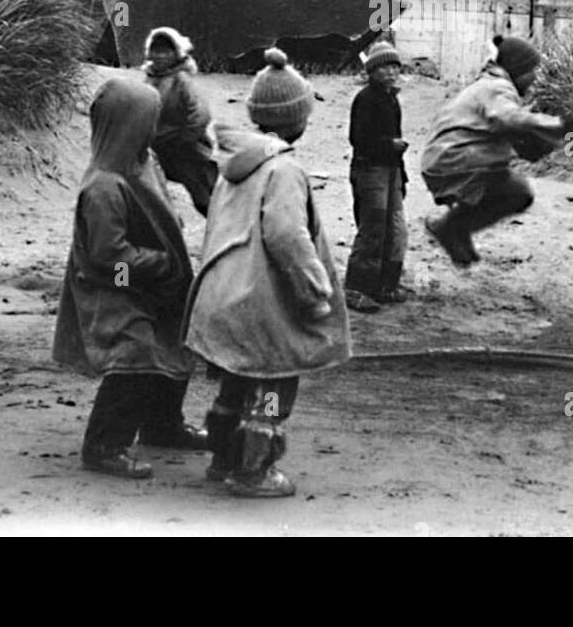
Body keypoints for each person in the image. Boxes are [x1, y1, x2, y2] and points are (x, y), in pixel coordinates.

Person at [183, 47, 351, 498]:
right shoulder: (284, 169)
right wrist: (316, 291)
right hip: (262, 302)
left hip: (224, 294)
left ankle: (222, 458)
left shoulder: (234, 168)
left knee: (235, 381)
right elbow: (285, 236)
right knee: (274, 383)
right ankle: (254, 472)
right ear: (298, 118)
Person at [53, 78, 209, 480]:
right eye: (147, 121)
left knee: (171, 347)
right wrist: (156, 265)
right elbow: (108, 258)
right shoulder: (104, 187)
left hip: (152, 285)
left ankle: (162, 425)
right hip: (115, 286)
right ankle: (104, 444)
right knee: (134, 355)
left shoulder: (143, 164)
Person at [420, 34, 568, 266]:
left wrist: (549, 140)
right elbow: (508, 119)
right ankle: (450, 228)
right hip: (455, 158)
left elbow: (519, 141)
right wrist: (556, 124)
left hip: (447, 159)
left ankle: (454, 229)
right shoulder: (498, 87)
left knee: (509, 186)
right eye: (532, 72)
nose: (535, 79)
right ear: (517, 69)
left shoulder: (489, 86)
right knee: (514, 190)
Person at [343, 40, 410, 314]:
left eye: (395, 66)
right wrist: (388, 146)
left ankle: (386, 284)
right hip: (370, 170)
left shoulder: (391, 98)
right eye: (384, 68)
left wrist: (401, 176)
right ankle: (357, 289)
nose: (391, 72)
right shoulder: (366, 99)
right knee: (373, 229)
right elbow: (357, 140)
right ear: (371, 72)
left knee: (396, 229)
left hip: (391, 171)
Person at [143, 26, 218, 219]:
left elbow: (201, 113)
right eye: (155, 50)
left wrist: (185, 139)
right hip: (159, 149)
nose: (159, 56)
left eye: (165, 51)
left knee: (205, 198)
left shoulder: (181, 80)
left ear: (176, 53)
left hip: (187, 151)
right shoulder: (149, 80)